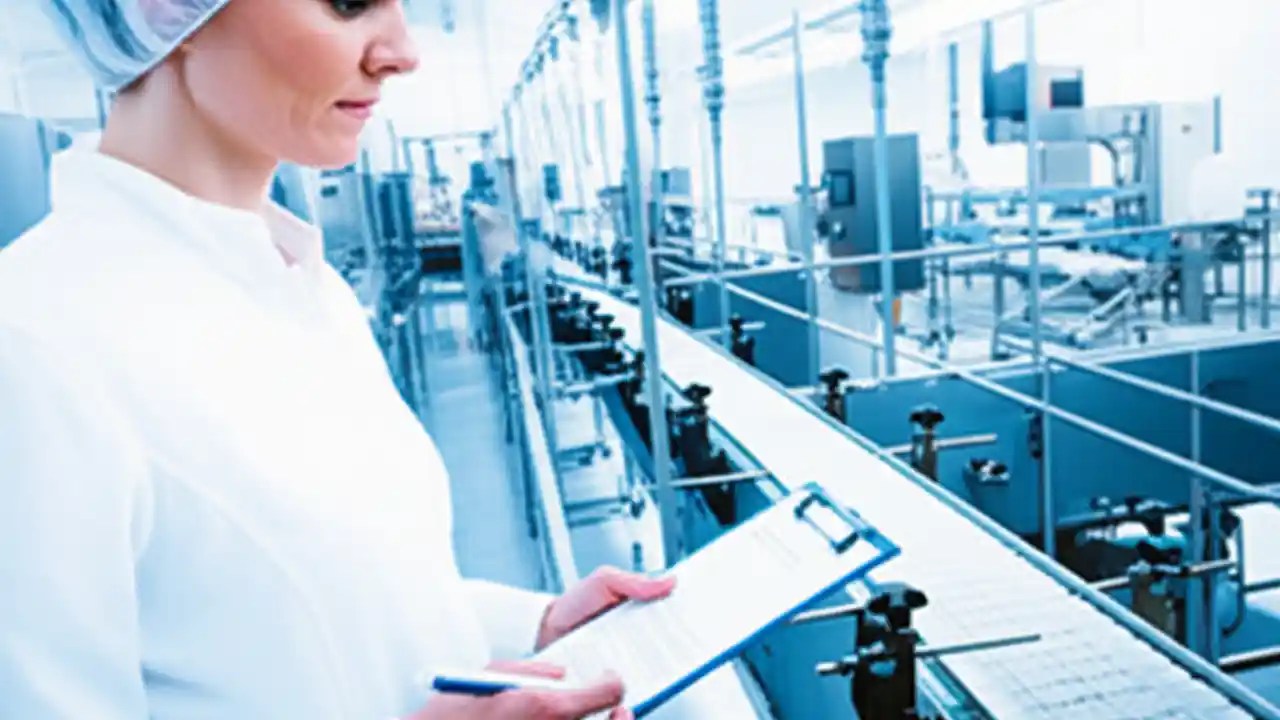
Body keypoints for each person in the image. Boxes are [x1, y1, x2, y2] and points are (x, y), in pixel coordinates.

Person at [0, 1, 674, 719]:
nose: (403, 52)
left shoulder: (305, 284)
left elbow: (337, 607)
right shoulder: (35, 344)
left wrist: (534, 629)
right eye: (349, 3)